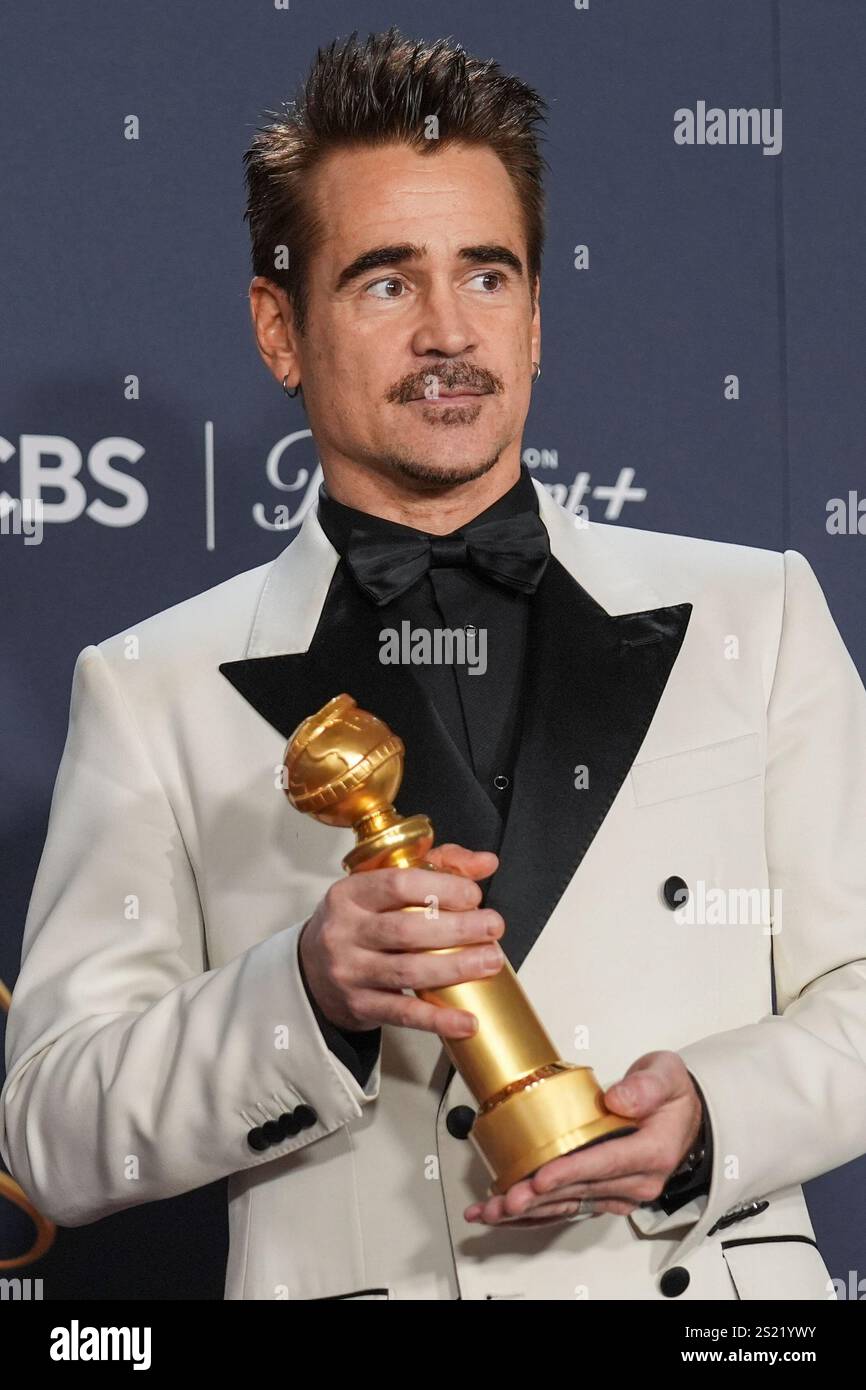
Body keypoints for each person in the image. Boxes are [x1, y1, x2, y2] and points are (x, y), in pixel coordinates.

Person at [3, 27, 866, 1301]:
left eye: (487, 275)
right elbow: (53, 1129)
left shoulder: (760, 611)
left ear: (535, 320)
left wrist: (714, 1111)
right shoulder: (154, 685)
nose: (448, 332)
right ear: (277, 330)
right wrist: (303, 992)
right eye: (386, 283)